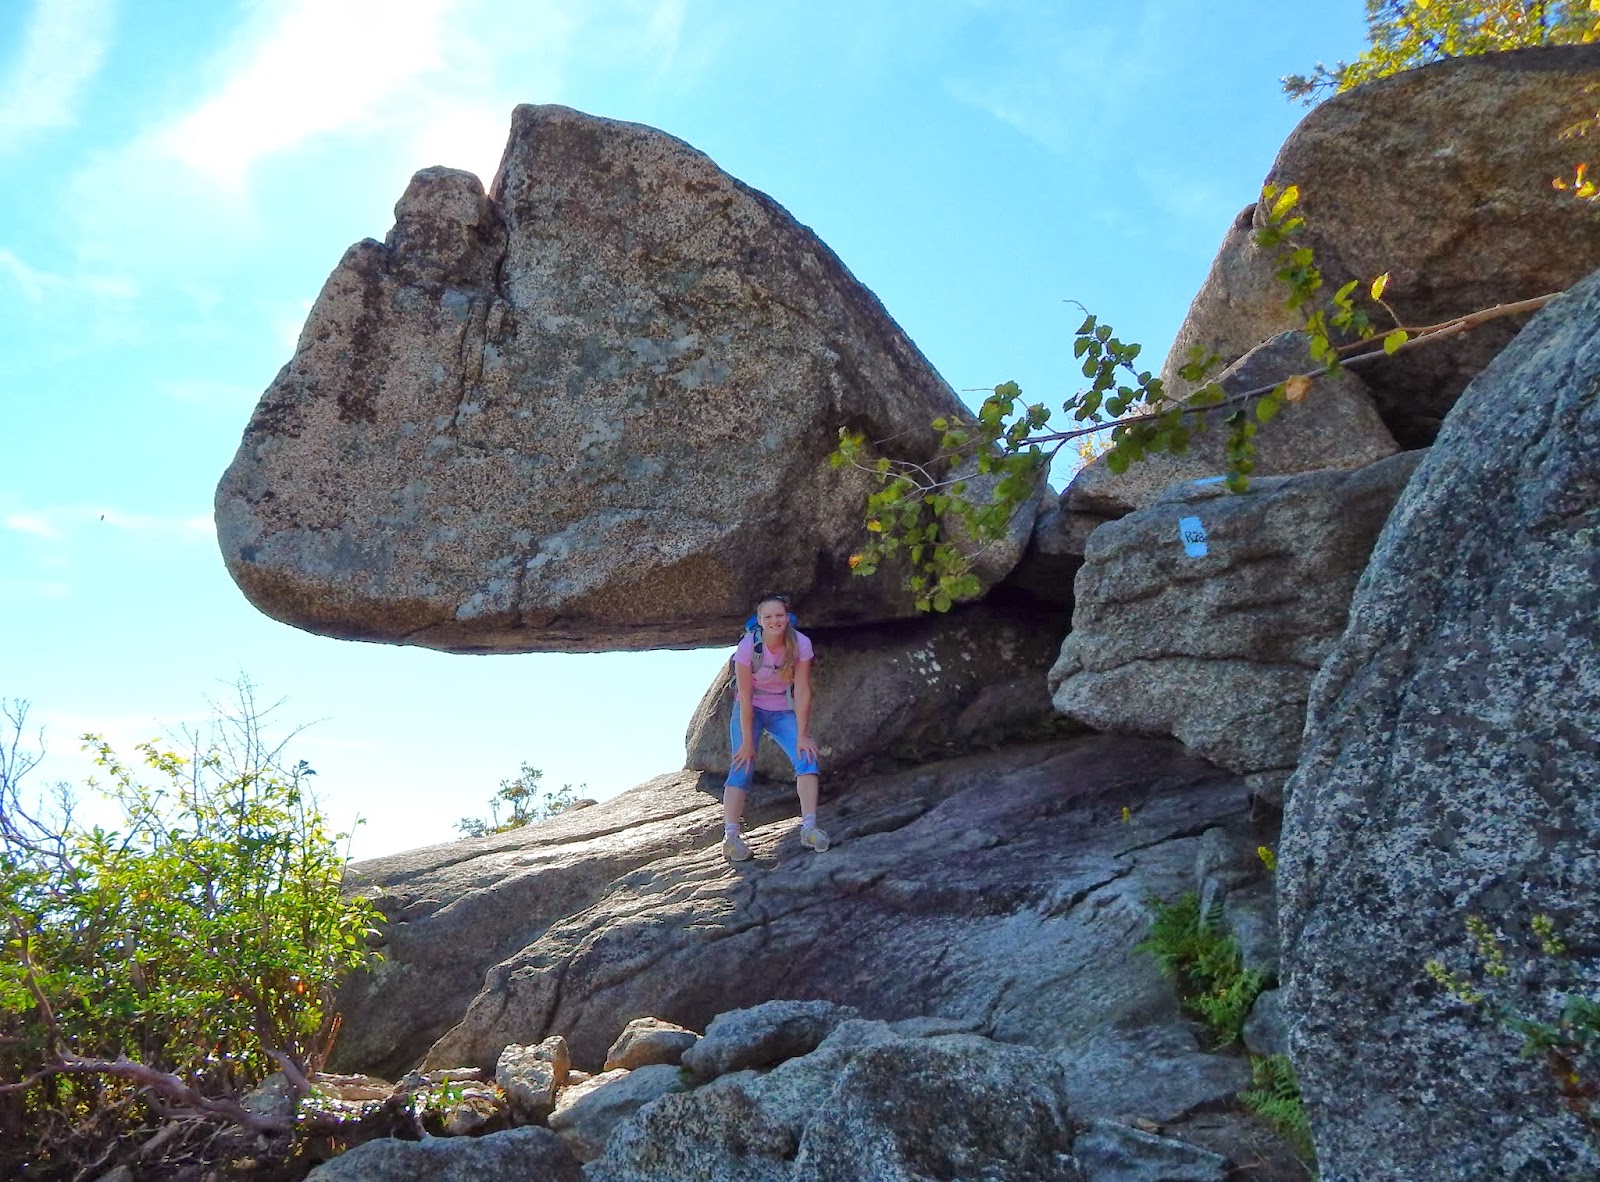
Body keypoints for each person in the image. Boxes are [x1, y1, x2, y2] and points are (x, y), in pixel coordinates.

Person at [722, 593, 827, 862]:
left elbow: (802, 690)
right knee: (742, 763)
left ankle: (809, 828)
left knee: (806, 757)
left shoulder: (800, 643)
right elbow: (746, 696)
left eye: (779, 615)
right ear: (759, 620)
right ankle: (731, 838)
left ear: (787, 617)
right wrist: (748, 742)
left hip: (781, 708)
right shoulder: (748, 647)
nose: (774, 621)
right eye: (768, 616)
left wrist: (802, 734)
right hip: (750, 707)